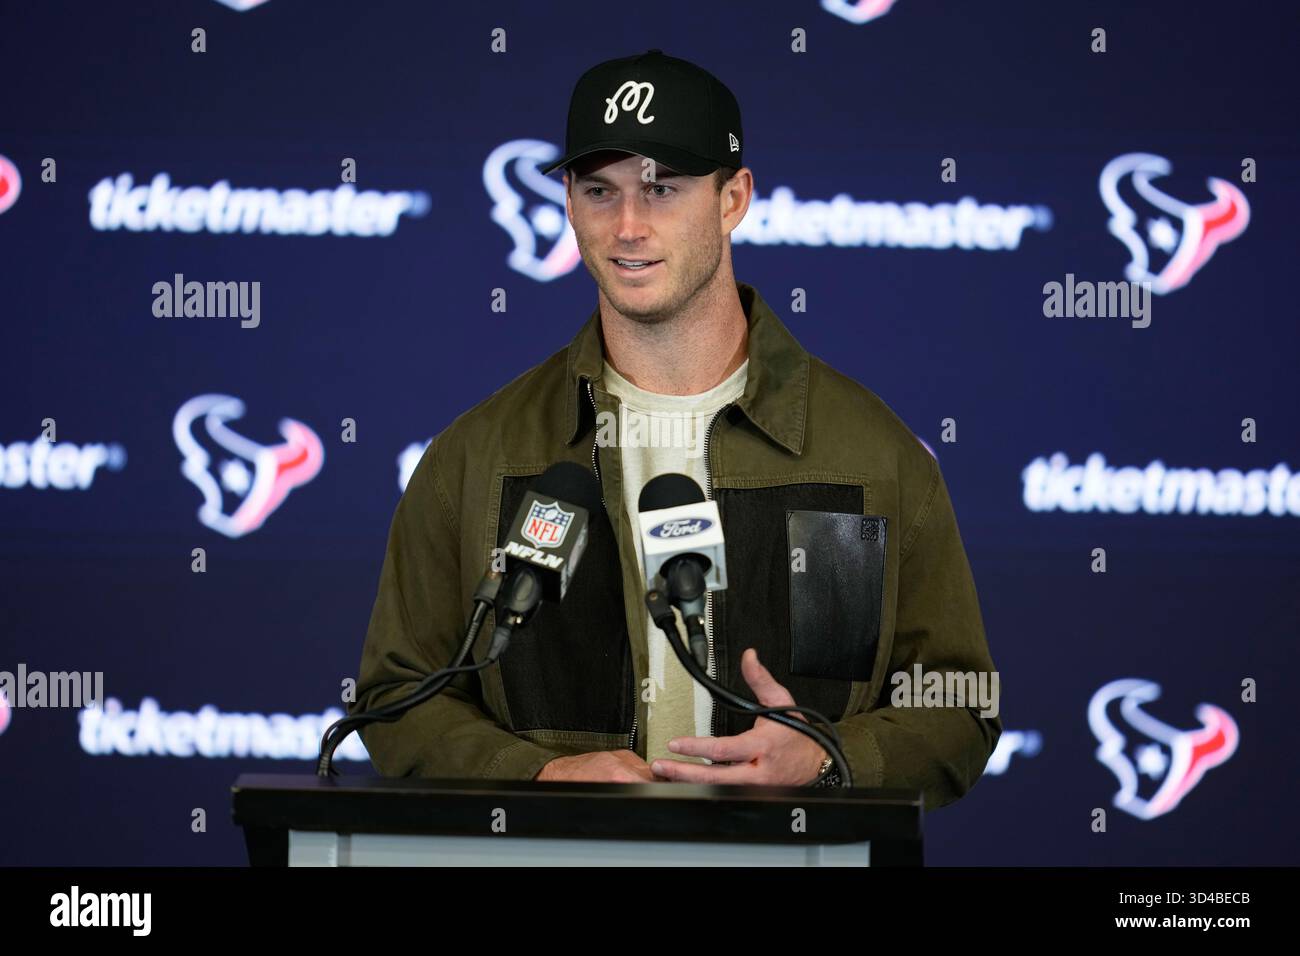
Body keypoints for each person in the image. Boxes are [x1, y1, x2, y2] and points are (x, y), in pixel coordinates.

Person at [351, 49, 1000, 808]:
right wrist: (540, 777)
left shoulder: (874, 454)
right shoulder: (477, 456)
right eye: (600, 189)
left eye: (662, 187)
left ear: (733, 198)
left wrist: (827, 759)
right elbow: (396, 695)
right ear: (567, 199)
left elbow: (958, 704)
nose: (628, 225)